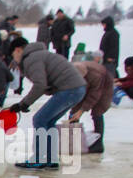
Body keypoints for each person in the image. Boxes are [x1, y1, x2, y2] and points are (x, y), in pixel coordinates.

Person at [7, 37, 87, 169]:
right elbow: (47, 83)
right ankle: (51, 159)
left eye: (13, 55)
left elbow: (40, 85)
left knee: (39, 119)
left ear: (18, 50)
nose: (14, 59)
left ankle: (38, 159)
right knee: (48, 122)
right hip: (77, 89)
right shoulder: (39, 55)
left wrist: (24, 104)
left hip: (69, 89)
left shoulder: (31, 59)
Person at [68, 60, 113, 155]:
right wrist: (75, 110)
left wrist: (81, 111)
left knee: (98, 110)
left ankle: (98, 144)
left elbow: (94, 96)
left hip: (104, 83)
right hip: (86, 84)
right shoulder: (71, 72)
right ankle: (73, 142)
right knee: (74, 110)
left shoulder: (95, 75)